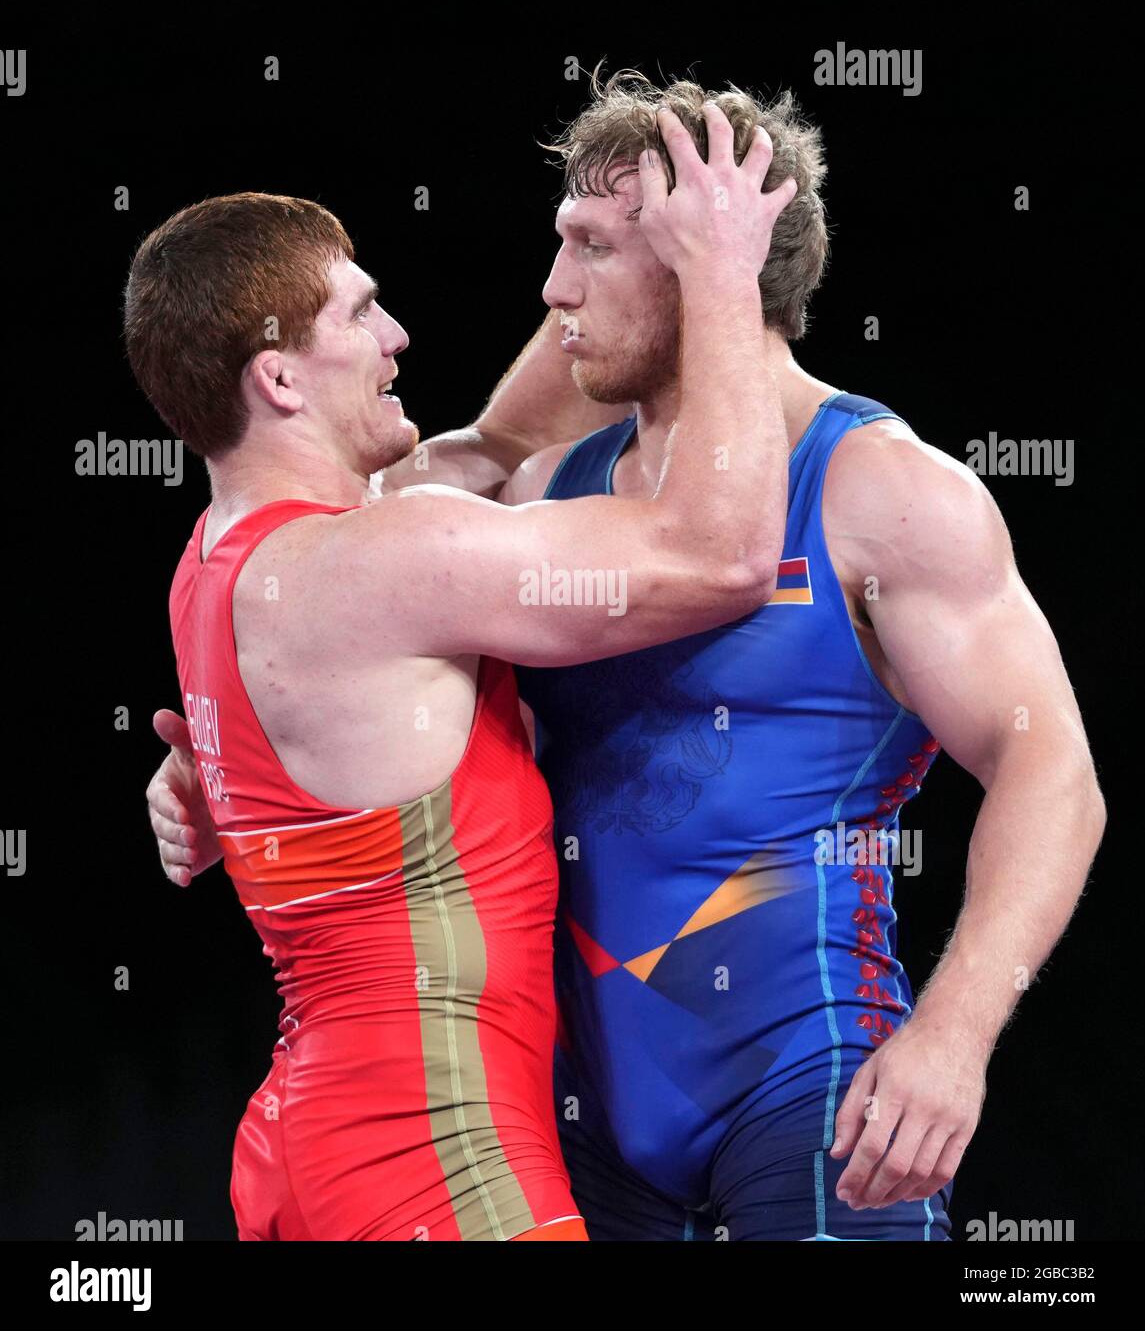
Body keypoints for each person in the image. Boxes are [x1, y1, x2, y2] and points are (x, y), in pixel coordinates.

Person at [149, 72, 1105, 1241]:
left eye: (595, 249)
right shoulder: (547, 493)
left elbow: (1052, 772)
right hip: (568, 1122)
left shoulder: (888, 495)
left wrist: (954, 1034)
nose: (553, 293)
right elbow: (334, 614)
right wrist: (231, 778)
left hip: (806, 1090)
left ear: (709, 262)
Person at [129, 103, 797, 1240]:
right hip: (429, 1167)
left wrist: (607, 245)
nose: (396, 338)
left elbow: (486, 449)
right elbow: (724, 556)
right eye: (361, 312)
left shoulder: (217, 564)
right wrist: (719, 269)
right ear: (282, 380)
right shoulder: (387, 557)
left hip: (309, 1154)